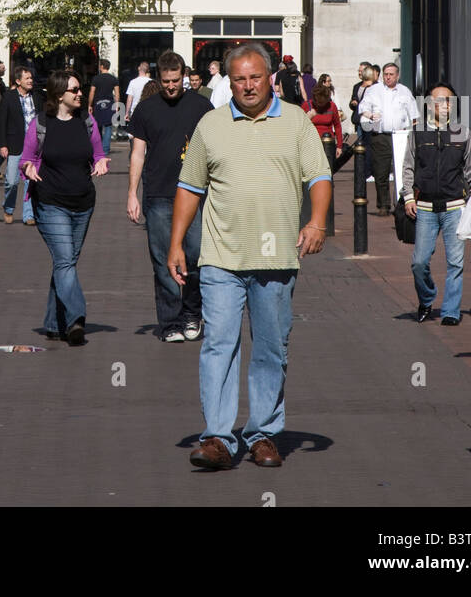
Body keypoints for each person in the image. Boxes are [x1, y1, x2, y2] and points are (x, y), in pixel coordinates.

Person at [168, 42, 332, 469]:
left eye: (255, 77)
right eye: (238, 78)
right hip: (221, 255)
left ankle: (263, 434)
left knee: (270, 349)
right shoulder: (211, 125)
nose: (247, 85)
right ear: (229, 81)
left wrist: (316, 222)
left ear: (270, 77)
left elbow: (319, 176)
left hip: (276, 257)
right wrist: (175, 244)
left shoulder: (296, 121)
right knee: (219, 345)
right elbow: (189, 187)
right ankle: (218, 438)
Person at [128, 51, 213, 343]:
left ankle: (192, 313)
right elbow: (137, 153)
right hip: (159, 194)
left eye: (176, 80)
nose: (171, 86)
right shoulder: (146, 110)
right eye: (165, 81)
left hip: (194, 193)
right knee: (164, 260)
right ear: (158, 78)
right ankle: (170, 322)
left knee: (195, 256)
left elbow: (215, 149)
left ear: (184, 76)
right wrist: (132, 193)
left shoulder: (202, 106)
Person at [20, 69, 109, 345]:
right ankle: (76, 319)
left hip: (83, 202)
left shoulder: (87, 120)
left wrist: (101, 161)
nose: (80, 93)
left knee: (65, 263)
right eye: (75, 90)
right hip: (50, 202)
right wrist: (29, 168)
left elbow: (97, 152)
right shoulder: (41, 124)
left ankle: (53, 323)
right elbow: (26, 158)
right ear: (59, 95)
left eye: (80, 89)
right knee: (65, 261)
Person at [402, 83, 471, 325]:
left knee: (455, 263)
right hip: (425, 207)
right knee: (419, 262)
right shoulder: (417, 133)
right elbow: (408, 167)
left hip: (454, 207)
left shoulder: (462, 132)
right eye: (438, 100)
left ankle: (450, 312)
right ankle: (426, 298)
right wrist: (407, 197)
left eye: (448, 100)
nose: (444, 105)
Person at [358, 62, 419, 216]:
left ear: (397, 75)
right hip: (380, 135)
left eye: (391, 74)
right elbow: (363, 108)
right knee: (381, 171)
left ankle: (402, 202)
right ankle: (383, 205)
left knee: (402, 170)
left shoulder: (405, 91)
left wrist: (414, 134)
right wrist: (370, 115)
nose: (388, 77)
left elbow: (414, 115)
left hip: (401, 136)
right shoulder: (373, 90)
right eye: (386, 74)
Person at [0, 66, 42, 225]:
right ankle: (8, 208)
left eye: (31, 78)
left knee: (30, 181)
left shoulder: (36, 96)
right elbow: (2, 122)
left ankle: (28, 215)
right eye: (27, 78)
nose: (30, 81)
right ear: (18, 81)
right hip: (15, 144)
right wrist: (3, 144)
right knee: (12, 181)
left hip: (34, 146)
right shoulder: (9, 97)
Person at [89, 58, 120, 157]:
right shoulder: (113, 79)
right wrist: (117, 104)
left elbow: (92, 92)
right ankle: (105, 149)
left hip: (98, 104)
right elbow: (117, 93)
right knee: (108, 126)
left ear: (102, 66)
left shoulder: (96, 79)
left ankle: (97, 148)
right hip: (109, 104)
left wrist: (89, 105)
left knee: (97, 127)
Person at [302, 81, 343, 154]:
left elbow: (337, 125)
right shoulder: (306, 106)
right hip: (311, 144)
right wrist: (309, 116)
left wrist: (339, 146)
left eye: (323, 103)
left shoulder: (332, 106)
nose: (320, 106)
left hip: (328, 144)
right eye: (318, 103)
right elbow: (300, 126)